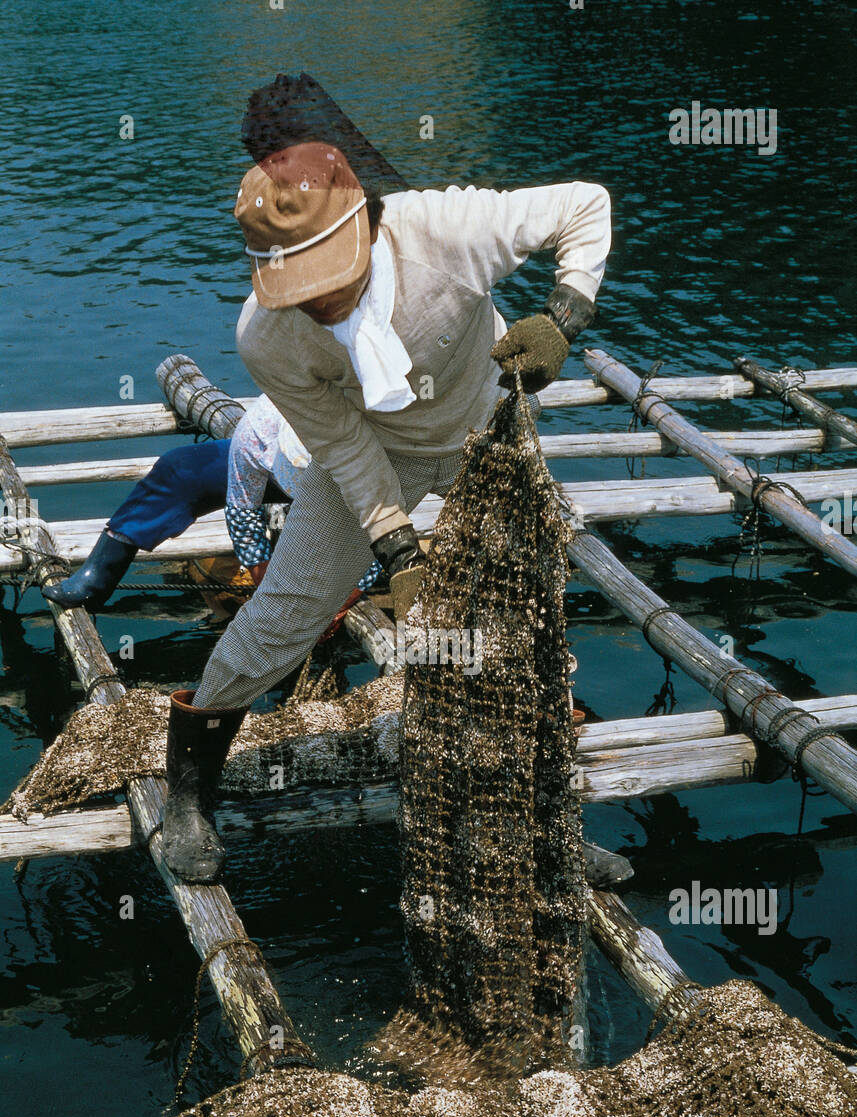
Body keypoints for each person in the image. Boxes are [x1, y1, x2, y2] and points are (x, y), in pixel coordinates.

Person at [159, 141, 627, 888]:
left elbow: (585, 203)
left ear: (368, 226)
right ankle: (187, 795)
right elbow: (340, 444)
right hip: (380, 449)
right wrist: (398, 546)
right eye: (299, 288)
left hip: (485, 428)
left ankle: (543, 822)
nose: (319, 301)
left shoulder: (447, 230)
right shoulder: (265, 336)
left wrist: (563, 315)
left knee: (525, 614)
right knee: (285, 610)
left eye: (330, 278)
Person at [44, 396, 304, 610]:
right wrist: (272, 593)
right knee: (180, 469)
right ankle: (97, 578)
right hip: (278, 456)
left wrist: (338, 604)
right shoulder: (259, 431)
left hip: (337, 479)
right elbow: (243, 515)